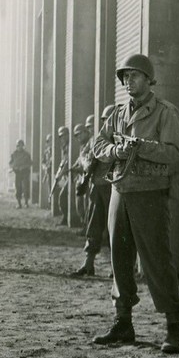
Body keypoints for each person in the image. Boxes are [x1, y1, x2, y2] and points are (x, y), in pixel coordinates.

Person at [90, 54, 179, 354]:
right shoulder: (118, 114)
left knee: (157, 260)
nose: (128, 81)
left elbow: (173, 152)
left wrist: (141, 147)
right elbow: (98, 144)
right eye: (125, 77)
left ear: (148, 79)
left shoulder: (165, 113)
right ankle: (123, 322)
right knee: (119, 259)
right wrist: (115, 151)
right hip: (120, 190)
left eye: (133, 76)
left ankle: (173, 327)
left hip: (150, 194)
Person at [69, 110, 113, 278]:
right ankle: (88, 264)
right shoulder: (97, 139)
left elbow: (88, 162)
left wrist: (86, 162)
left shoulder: (119, 139)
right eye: (104, 120)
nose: (106, 123)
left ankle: (116, 268)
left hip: (113, 188)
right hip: (97, 187)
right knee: (93, 226)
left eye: (109, 119)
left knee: (115, 229)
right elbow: (88, 163)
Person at [8, 139, 32, 208]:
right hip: (18, 173)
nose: (20, 147)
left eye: (21, 145)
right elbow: (10, 163)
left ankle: (26, 202)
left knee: (26, 187)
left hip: (25, 172)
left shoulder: (26, 154)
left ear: (23, 146)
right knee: (18, 188)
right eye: (18, 146)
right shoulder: (14, 154)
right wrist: (14, 167)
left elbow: (30, 163)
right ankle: (19, 203)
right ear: (16, 146)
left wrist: (25, 166)